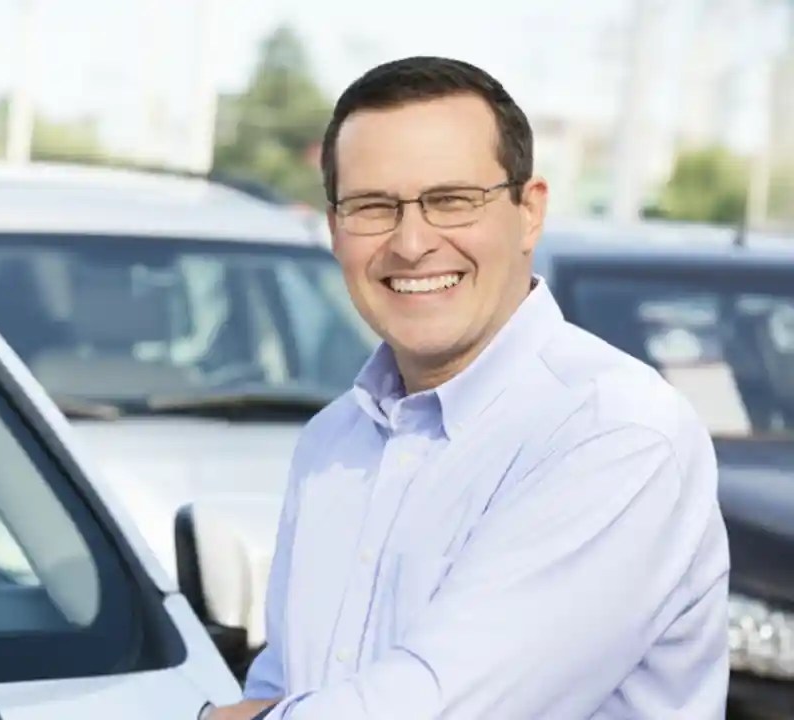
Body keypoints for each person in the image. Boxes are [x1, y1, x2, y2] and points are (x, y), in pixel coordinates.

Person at [201, 56, 730, 719]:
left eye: (451, 200)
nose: (413, 242)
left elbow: (444, 708)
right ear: (334, 228)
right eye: (372, 206)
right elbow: (284, 681)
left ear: (529, 212)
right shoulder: (334, 439)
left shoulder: (614, 431)